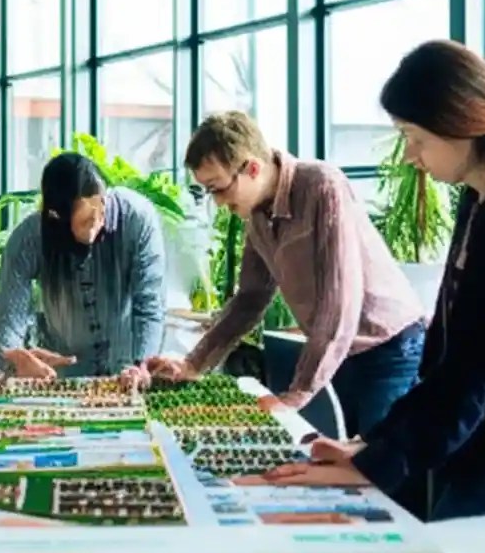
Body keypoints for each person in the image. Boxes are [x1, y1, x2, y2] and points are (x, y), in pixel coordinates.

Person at [264, 40, 485, 520]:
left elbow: (481, 372)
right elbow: (453, 362)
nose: (410, 155)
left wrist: (376, 465)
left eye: (415, 137)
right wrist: (374, 444)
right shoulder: (483, 201)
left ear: (460, 122)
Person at [137, 110, 427, 439]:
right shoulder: (258, 215)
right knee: (347, 456)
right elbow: (250, 298)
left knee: (381, 456)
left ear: (252, 168)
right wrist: (193, 363)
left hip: (389, 345)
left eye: (218, 188)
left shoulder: (322, 186)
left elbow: (339, 299)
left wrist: (296, 395)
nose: (217, 203)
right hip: (342, 351)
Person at [0, 152, 166, 378]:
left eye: (101, 213)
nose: (94, 230)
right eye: (85, 222)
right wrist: (15, 360)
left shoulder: (137, 218)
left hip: (127, 372)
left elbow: (149, 305)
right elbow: (8, 326)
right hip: (60, 378)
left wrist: (142, 365)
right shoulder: (28, 240)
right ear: (57, 217)